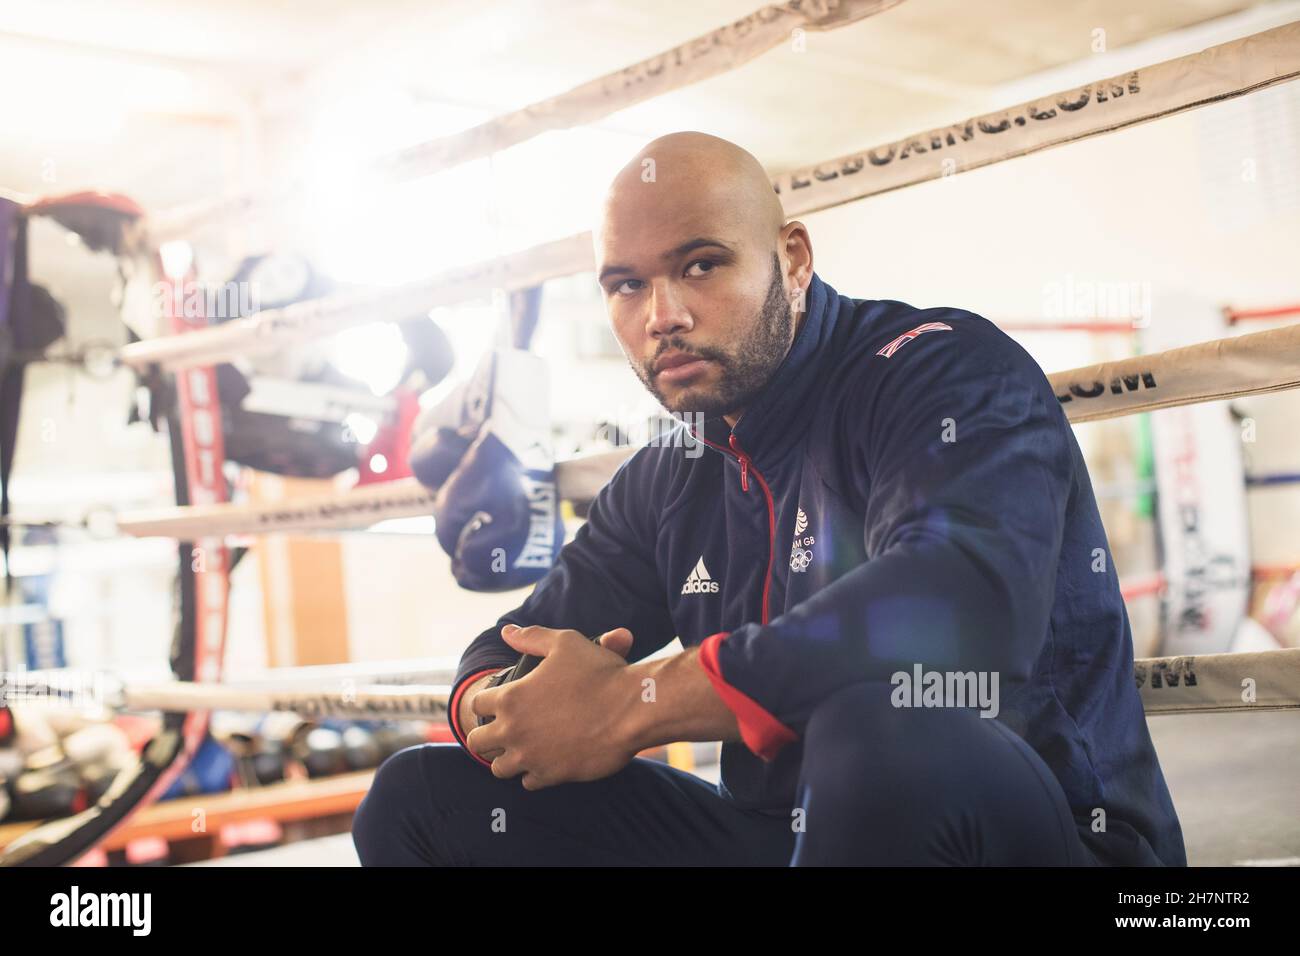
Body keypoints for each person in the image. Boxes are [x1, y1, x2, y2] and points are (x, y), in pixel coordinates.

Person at [351, 131, 1186, 866]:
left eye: (700, 265)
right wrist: (509, 709)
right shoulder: (673, 469)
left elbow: (962, 610)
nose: (662, 316)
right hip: (783, 840)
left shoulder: (939, 368)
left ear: (792, 259)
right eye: (626, 286)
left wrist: (632, 706)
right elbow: (498, 653)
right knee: (420, 799)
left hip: (1045, 839)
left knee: (877, 732)